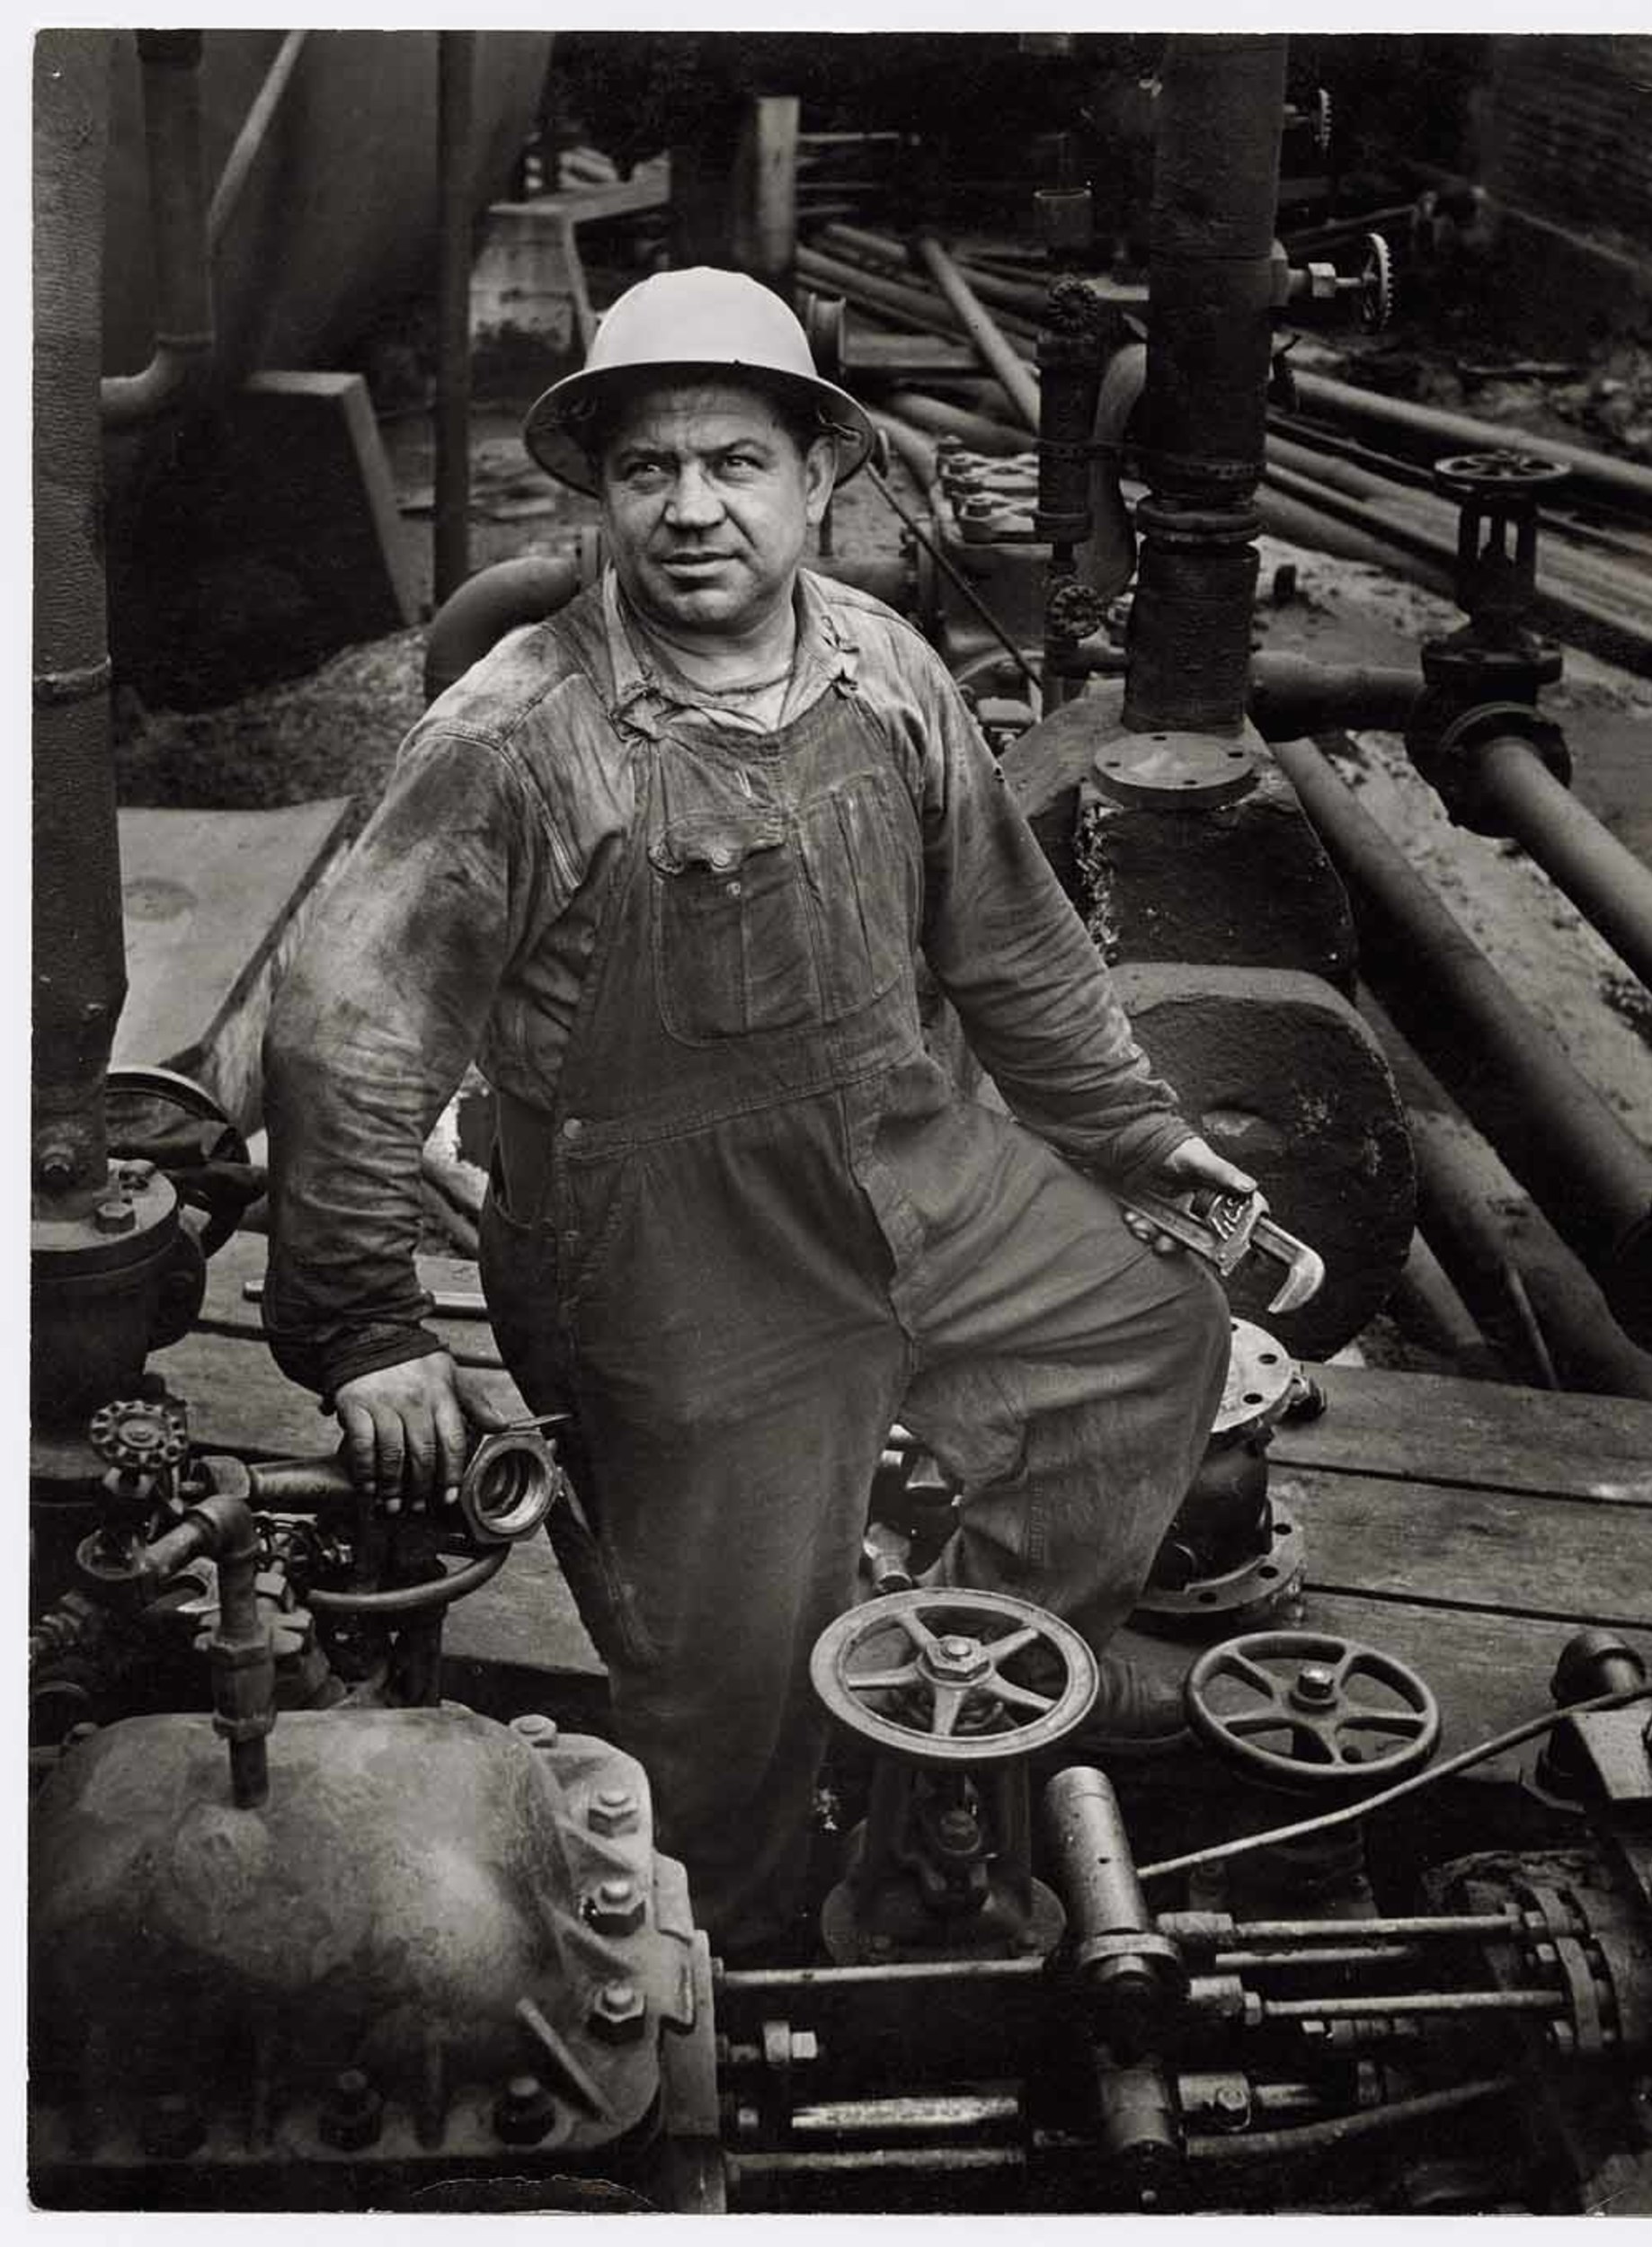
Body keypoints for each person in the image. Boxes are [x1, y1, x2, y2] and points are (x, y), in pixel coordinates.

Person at [263, 267, 1248, 1955]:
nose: (692, 507)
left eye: (735, 462)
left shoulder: (885, 668)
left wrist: (1135, 1137)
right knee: (725, 1692)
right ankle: (714, 1962)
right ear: (600, 494)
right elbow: (347, 1033)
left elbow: (1009, 944)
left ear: (817, 477)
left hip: (919, 1165)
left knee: (1146, 1326)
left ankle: (949, 1710)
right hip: (672, 1250)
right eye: (648, 468)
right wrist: (364, 1327)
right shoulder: (517, 733)